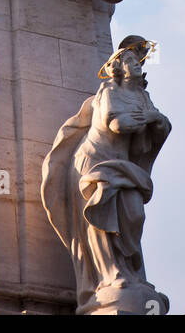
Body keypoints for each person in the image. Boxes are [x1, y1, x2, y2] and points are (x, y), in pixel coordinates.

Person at [40, 43, 170, 315]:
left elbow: (159, 127)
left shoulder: (143, 97)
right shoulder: (108, 91)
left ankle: (130, 273)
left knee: (134, 214)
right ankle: (110, 275)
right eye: (130, 60)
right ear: (118, 68)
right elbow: (117, 124)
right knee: (100, 215)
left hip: (122, 164)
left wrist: (154, 120)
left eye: (138, 60)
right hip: (93, 160)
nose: (137, 63)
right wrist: (149, 119)